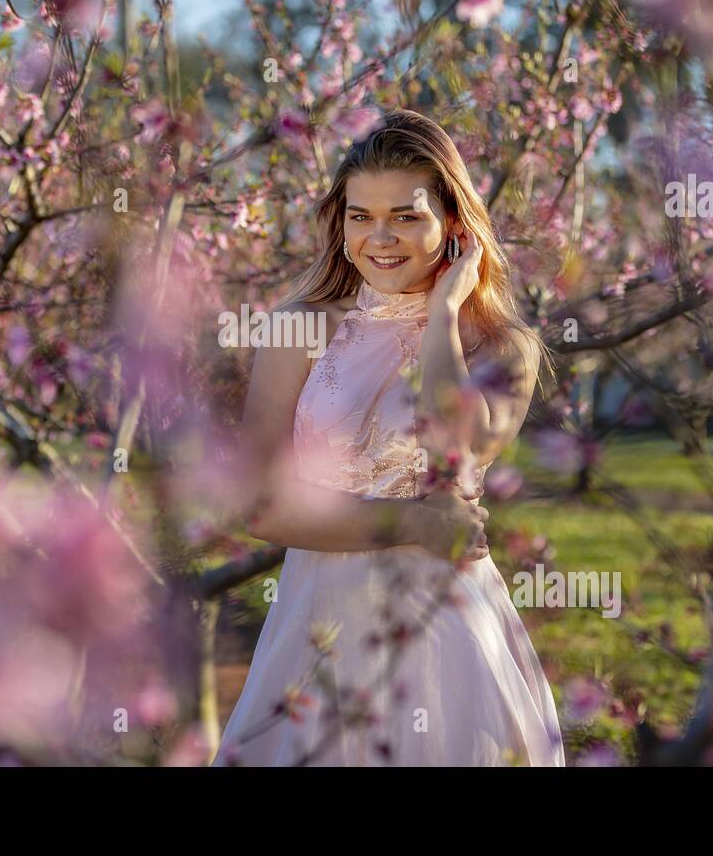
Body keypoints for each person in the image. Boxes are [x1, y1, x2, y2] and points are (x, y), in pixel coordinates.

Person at [213, 109, 565, 766]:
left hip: (447, 632)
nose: (380, 238)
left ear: (453, 224)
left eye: (406, 215)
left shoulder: (501, 346)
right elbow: (253, 505)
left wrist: (443, 317)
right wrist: (410, 521)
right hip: (318, 624)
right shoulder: (299, 329)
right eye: (360, 216)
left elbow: (455, 440)